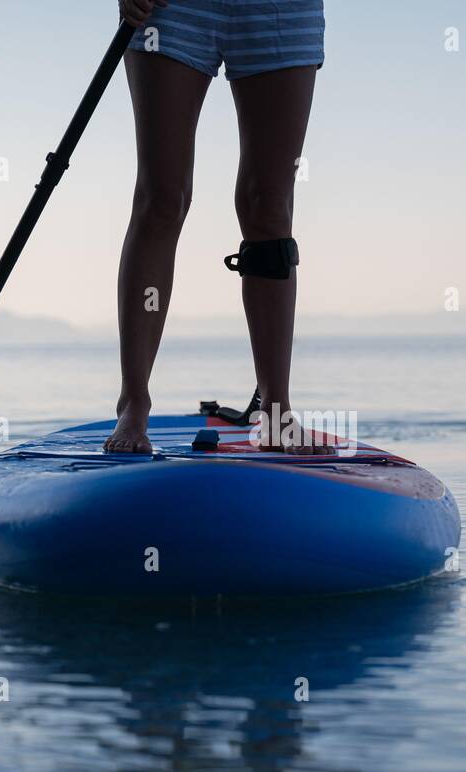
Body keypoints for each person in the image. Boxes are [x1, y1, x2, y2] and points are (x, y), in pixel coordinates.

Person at [105, 0, 332, 454]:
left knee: (268, 207)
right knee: (161, 200)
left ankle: (275, 411)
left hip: (281, 11)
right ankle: (134, 403)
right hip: (175, 9)